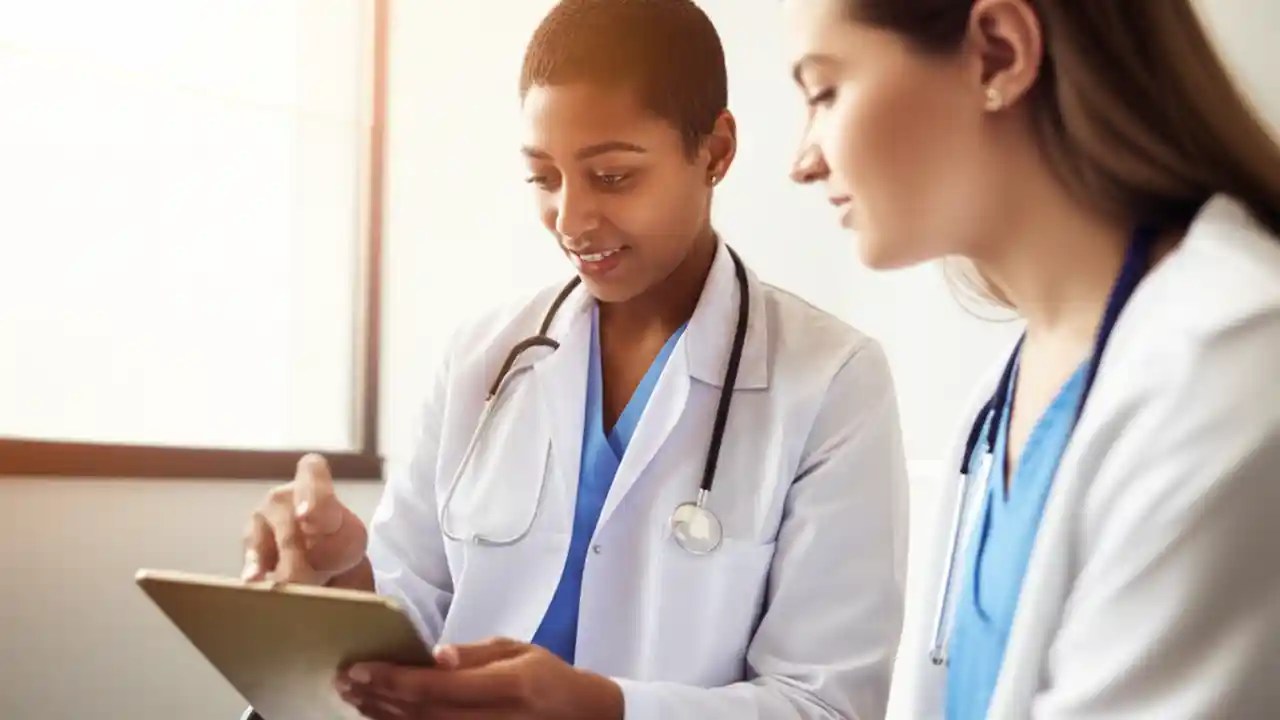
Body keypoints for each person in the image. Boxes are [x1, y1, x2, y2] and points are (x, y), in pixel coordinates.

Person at [241, 1, 909, 718]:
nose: (570, 219)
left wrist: (605, 708)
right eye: (544, 177)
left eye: (612, 176)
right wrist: (341, 583)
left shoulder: (832, 381)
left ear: (715, 152)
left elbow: (826, 706)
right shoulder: (482, 359)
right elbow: (413, 622)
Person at [784, 0, 1280, 716]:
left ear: (999, 53)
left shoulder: (1227, 366)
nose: (804, 162)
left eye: (826, 92)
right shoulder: (1003, 399)